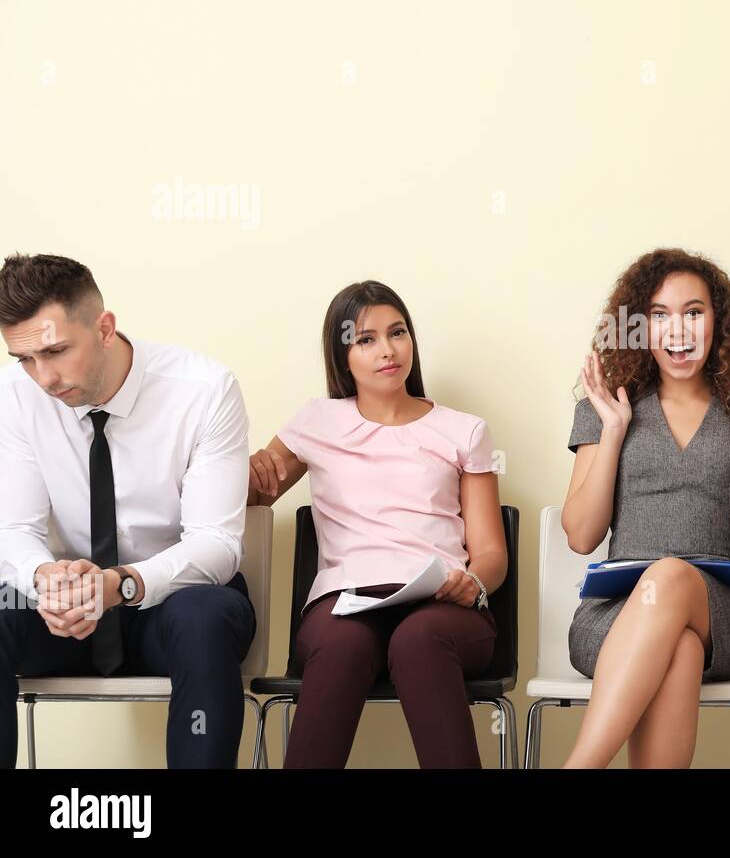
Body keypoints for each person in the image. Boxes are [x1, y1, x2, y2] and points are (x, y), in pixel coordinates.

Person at [0, 253, 256, 768]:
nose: (43, 377)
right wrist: (47, 578)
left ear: (105, 328)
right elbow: (14, 529)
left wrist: (120, 584)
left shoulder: (204, 390)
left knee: (203, 616)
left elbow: (217, 544)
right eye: (24, 359)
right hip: (67, 613)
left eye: (55, 351)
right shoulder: (17, 398)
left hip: (171, 605)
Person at [247, 280, 506, 768]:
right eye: (366, 339)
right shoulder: (316, 421)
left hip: (440, 603)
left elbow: (491, 552)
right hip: (344, 601)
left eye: (398, 333)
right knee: (342, 645)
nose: (387, 351)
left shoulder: (464, 430)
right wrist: (239, 469)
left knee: (419, 640)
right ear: (342, 354)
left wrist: (472, 582)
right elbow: (252, 492)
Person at [561, 247, 730, 768]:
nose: (678, 329)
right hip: (615, 619)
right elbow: (580, 535)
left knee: (670, 579)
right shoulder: (602, 408)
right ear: (638, 327)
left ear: (718, 322)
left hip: (726, 618)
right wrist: (614, 432)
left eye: (694, 312)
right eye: (659, 315)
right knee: (680, 650)